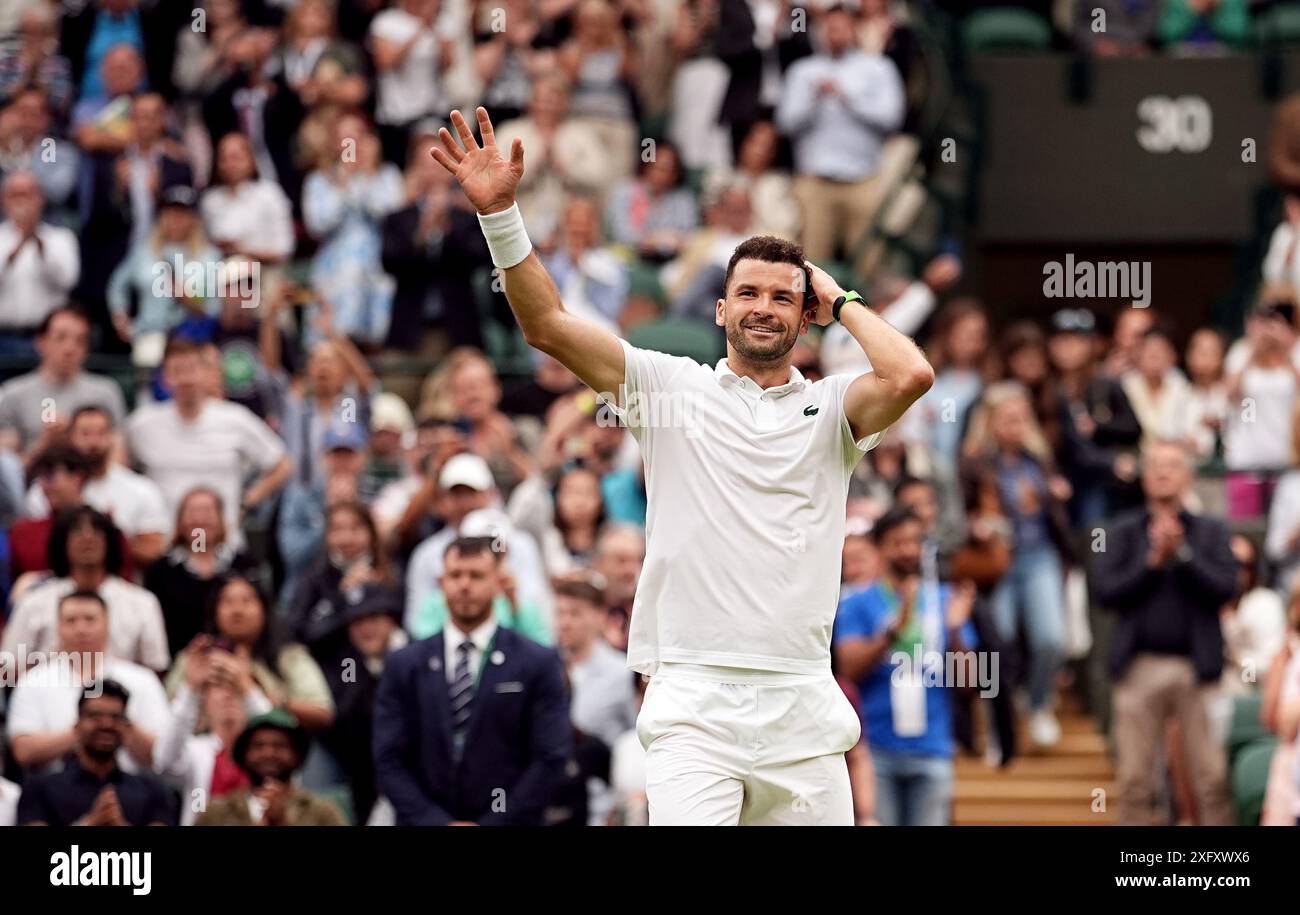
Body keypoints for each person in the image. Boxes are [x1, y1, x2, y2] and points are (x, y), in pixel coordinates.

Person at [431, 107, 933, 824]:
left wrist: (839, 296)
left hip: (803, 705)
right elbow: (547, 325)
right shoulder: (667, 386)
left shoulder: (835, 409)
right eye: (750, 293)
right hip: (693, 701)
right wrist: (501, 217)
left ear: (806, 314)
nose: (765, 307)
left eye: (784, 297)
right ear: (721, 308)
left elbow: (912, 373)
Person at [373, 537, 572, 825]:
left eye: (476, 575)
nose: (464, 585)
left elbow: (551, 756)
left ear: (498, 583)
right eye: (455, 575)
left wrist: (494, 822)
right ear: (441, 583)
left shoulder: (537, 662)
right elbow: (387, 758)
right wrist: (436, 822)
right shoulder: (404, 664)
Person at [1091, 439, 1236, 826]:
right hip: (1139, 667)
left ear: (1188, 475)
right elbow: (1106, 593)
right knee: (1135, 780)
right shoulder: (1121, 531)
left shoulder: (1211, 531)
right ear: (1143, 477)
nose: (1162, 472)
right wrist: (1152, 562)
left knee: (1211, 778)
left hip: (1199, 669)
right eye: (1154, 465)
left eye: (1172, 464)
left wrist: (1183, 557)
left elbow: (1226, 587)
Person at [833, 506, 976, 826]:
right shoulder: (857, 601)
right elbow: (847, 670)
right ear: (880, 548)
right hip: (876, 751)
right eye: (898, 542)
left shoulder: (944, 600)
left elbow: (971, 684)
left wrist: (954, 630)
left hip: (933, 748)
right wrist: (890, 634)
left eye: (915, 542)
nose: (909, 550)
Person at [961, 381, 1075, 747]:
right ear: (992, 422)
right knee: (999, 641)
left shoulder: (1038, 460)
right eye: (1009, 419)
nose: (1017, 426)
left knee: (1050, 638)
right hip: (998, 561)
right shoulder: (975, 464)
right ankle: (1000, 720)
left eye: (1022, 419)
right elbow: (958, 514)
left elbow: (1055, 517)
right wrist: (974, 526)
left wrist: (1057, 497)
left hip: (1039, 555)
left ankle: (1039, 702)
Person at [126, 335, 292, 552]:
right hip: (166, 548)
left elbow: (282, 464)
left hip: (224, 545)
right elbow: (119, 467)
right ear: (166, 377)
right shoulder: (141, 423)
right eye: (177, 371)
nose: (185, 379)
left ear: (206, 374)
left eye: (192, 370)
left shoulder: (235, 419)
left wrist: (246, 502)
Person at [775, 5, 904, 273]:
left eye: (842, 28)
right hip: (815, 180)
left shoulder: (878, 68)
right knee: (810, 266)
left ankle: (863, 314)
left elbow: (892, 118)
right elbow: (785, 123)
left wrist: (848, 98)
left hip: (864, 179)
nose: (835, 35)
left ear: (854, 30)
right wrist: (814, 98)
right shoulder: (804, 71)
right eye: (830, 29)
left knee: (867, 264)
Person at [6, 591, 171, 774]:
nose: (81, 629)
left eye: (90, 619)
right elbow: (23, 752)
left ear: (107, 624)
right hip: (55, 792)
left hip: (130, 790)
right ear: (58, 627)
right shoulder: (34, 681)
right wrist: (88, 729)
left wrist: (121, 725)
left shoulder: (142, 680)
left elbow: (163, 755)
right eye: (71, 621)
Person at [1, 507, 169, 671]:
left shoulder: (142, 603)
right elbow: (7, 668)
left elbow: (155, 668)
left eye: (97, 530)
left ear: (109, 541)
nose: (88, 537)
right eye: (77, 531)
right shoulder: (34, 602)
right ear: (63, 542)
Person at [164, 573, 335, 733]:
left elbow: (323, 714)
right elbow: (166, 717)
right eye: (227, 602)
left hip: (280, 748)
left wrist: (266, 696)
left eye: (247, 601)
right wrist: (195, 689)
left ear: (264, 609)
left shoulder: (289, 656)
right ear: (215, 611)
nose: (237, 610)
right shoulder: (197, 657)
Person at [26, 404, 170, 569]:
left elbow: (154, 552)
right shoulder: (47, 490)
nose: (93, 443)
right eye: (85, 434)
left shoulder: (141, 489)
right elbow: (34, 545)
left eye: (101, 433)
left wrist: (110, 534)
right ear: (70, 437)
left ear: (113, 437)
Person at [17, 680, 178, 826]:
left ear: (127, 727)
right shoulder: (40, 789)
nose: (107, 724)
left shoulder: (153, 791)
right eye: (95, 716)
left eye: (116, 717)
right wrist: (90, 823)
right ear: (77, 725)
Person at [151, 633, 270, 825]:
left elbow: (278, 738)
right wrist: (191, 689)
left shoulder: (265, 755)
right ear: (204, 701)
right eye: (219, 686)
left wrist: (246, 685)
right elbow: (163, 761)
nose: (228, 694)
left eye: (233, 686)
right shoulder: (195, 750)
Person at [0, 305, 126, 461]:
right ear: (41, 342)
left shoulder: (106, 392)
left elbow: (118, 461)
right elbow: (8, 473)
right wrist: (45, 445)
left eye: (80, 340)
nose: (70, 348)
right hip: (34, 482)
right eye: (61, 337)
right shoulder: (14, 394)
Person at [143, 487, 255, 657]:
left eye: (208, 511)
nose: (200, 520)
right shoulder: (160, 570)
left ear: (220, 519)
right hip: (178, 660)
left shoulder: (243, 565)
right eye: (193, 512)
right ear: (180, 521)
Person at [194, 709, 346, 826]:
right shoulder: (217, 812)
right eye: (258, 746)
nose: (268, 753)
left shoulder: (322, 812)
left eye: (279, 745)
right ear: (243, 755)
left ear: (297, 755)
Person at [0, 171, 80, 353]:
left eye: (27, 194)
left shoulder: (61, 238)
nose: (22, 202)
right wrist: (21, 242)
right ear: (4, 200)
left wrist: (36, 240)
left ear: (40, 199)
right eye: (15, 195)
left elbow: (66, 281)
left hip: (47, 339)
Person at [555, 571, 635, 748]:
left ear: (600, 615)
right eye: (560, 613)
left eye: (575, 614)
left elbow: (635, 733)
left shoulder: (621, 673)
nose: (565, 623)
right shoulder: (544, 667)